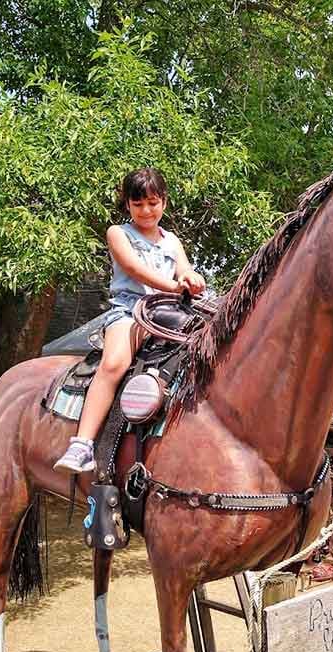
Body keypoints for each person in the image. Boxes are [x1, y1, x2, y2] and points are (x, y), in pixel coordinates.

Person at [54, 167, 206, 473]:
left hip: (168, 313)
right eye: (138, 204)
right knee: (114, 364)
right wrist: (172, 286)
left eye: (153, 203)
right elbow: (133, 268)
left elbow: (184, 269)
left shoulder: (172, 240)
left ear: (164, 202)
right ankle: (82, 445)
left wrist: (192, 278)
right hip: (130, 310)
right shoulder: (118, 233)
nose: (146, 211)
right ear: (127, 204)